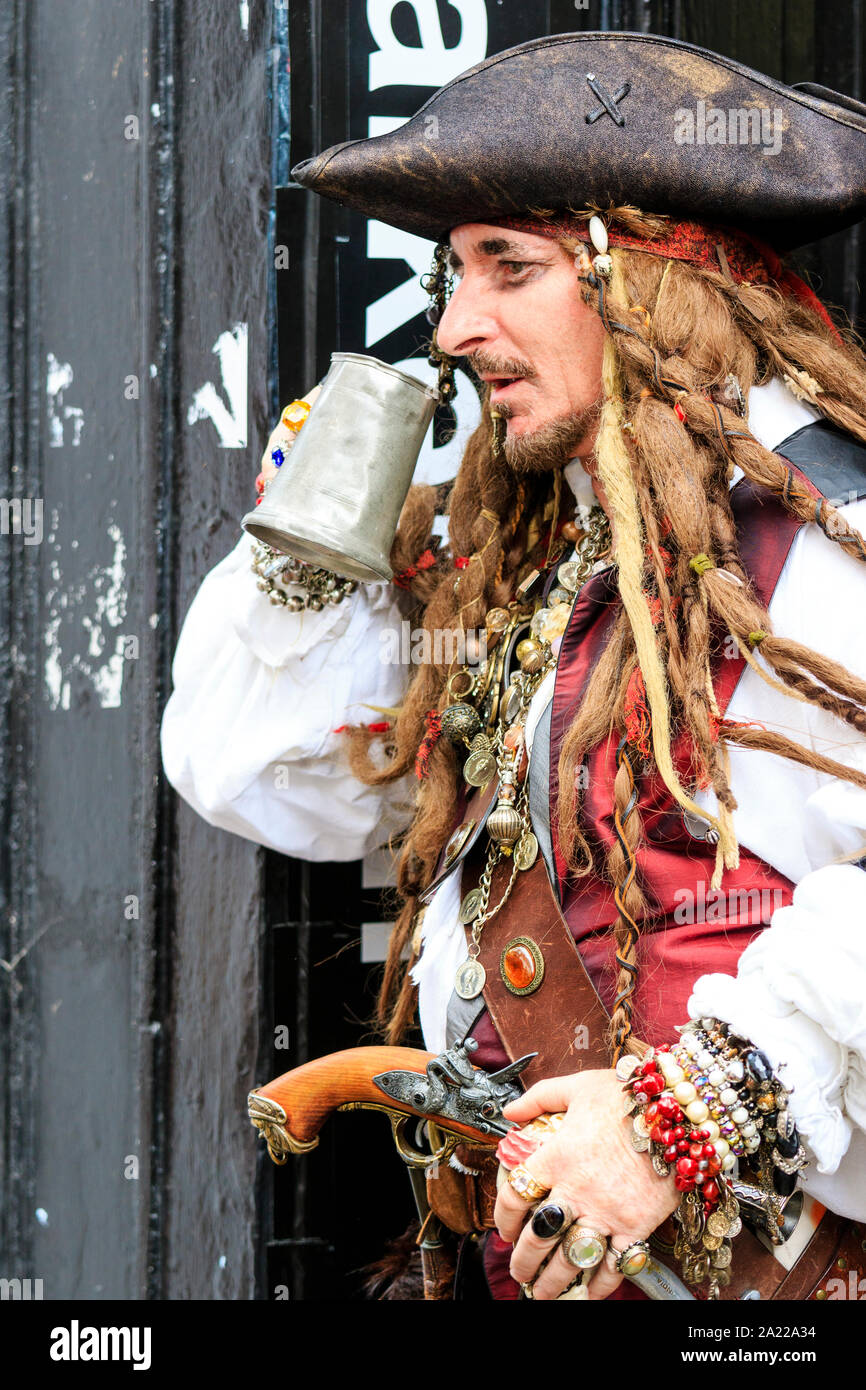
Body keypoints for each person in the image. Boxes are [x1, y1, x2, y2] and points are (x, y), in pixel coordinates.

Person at [161, 32, 866, 1300]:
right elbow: (256, 776)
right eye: (452, 270)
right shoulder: (540, 567)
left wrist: (683, 1112)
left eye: (509, 268)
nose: (452, 326)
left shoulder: (826, 542)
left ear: (650, 283)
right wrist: (316, 551)